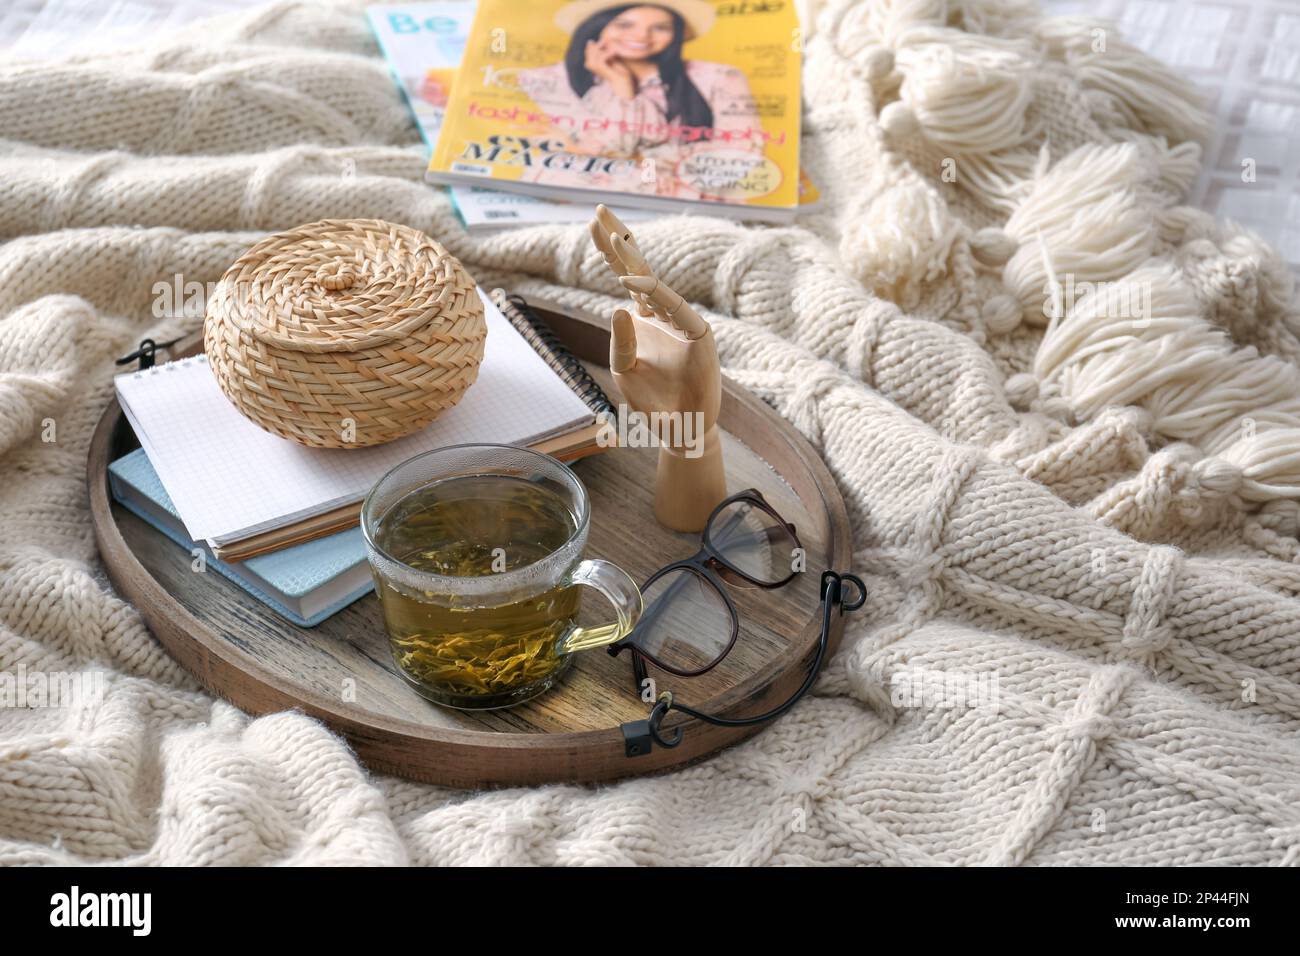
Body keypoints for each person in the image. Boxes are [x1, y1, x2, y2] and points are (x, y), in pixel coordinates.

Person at [515, 1, 766, 200]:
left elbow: (742, 154)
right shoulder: (550, 79)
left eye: (660, 27)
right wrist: (622, 87)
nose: (641, 35)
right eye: (624, 25)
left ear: (676, 33)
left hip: (684, 200)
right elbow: (604, 148)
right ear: (597, 27)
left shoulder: (719, 77)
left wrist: (632, 160)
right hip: (584, 200)